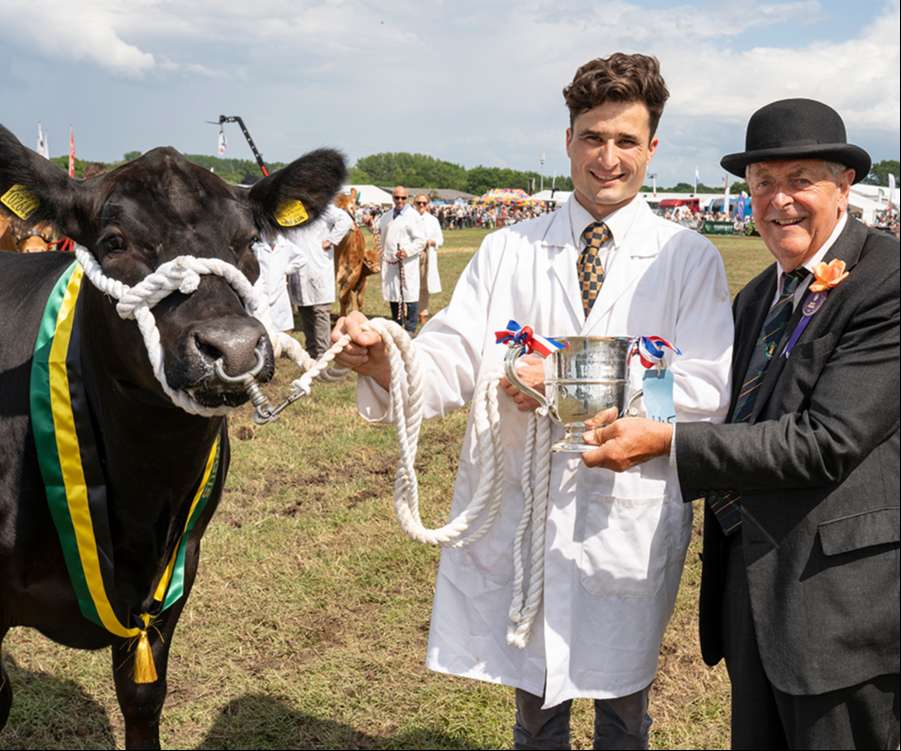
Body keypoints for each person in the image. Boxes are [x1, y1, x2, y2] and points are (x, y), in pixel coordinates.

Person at [335, 54, 733, 749]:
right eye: (593, 137)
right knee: (536, 708)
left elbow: (701, 393)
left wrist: (569, 380)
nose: (607, 158)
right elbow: (453, 358)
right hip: (523, 509)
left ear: (652, 148)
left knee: (622, 712)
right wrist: (385, 361)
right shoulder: (506, 250)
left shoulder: (687, 257)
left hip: (626, 517)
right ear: (568, 140)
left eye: (626, 140)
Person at [581, 98, 900, 750]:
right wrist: (611, 396)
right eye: (762, 183)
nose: (779, 200)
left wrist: (666, 441)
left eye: (799, 180)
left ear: (844, 185)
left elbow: (825, 442)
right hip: (751, 590)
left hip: (840, 605)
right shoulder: (758, 295)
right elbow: (718, 401)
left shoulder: (886, 279)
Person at [285, 202, 353, 359]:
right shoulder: (290, 209)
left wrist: (331, 239)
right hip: (298, 268)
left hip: (318, 265)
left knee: (320, 311)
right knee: (304, 310)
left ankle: (323, 353)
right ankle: (311, 351)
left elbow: (345, 220)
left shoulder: (321, 206)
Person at [379, 186, 426, 333]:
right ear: (392, 197)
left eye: (403, 198)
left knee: (409, 293)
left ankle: (411, 328)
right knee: (393, 293)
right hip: (390, 261)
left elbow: (421, 240)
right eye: (397, 197)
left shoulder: (413, 216)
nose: (400, 200)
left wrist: (407, 251)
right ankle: (397, 324)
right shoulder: (386, 216)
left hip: (407, 262)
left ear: (407, 198)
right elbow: (380, 234)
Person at [413, 194, 444, 323]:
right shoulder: (409, 218)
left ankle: (423, 313)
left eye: (424, 203)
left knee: (424, 285)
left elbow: (440, 239)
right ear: (414, 203)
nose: (421, 205)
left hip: (427, 254)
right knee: (410, 284)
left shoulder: (433, 220)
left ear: (428, 204)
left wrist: (432, 242)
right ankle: (409, 313)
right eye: (419, 203)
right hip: (412, 255)